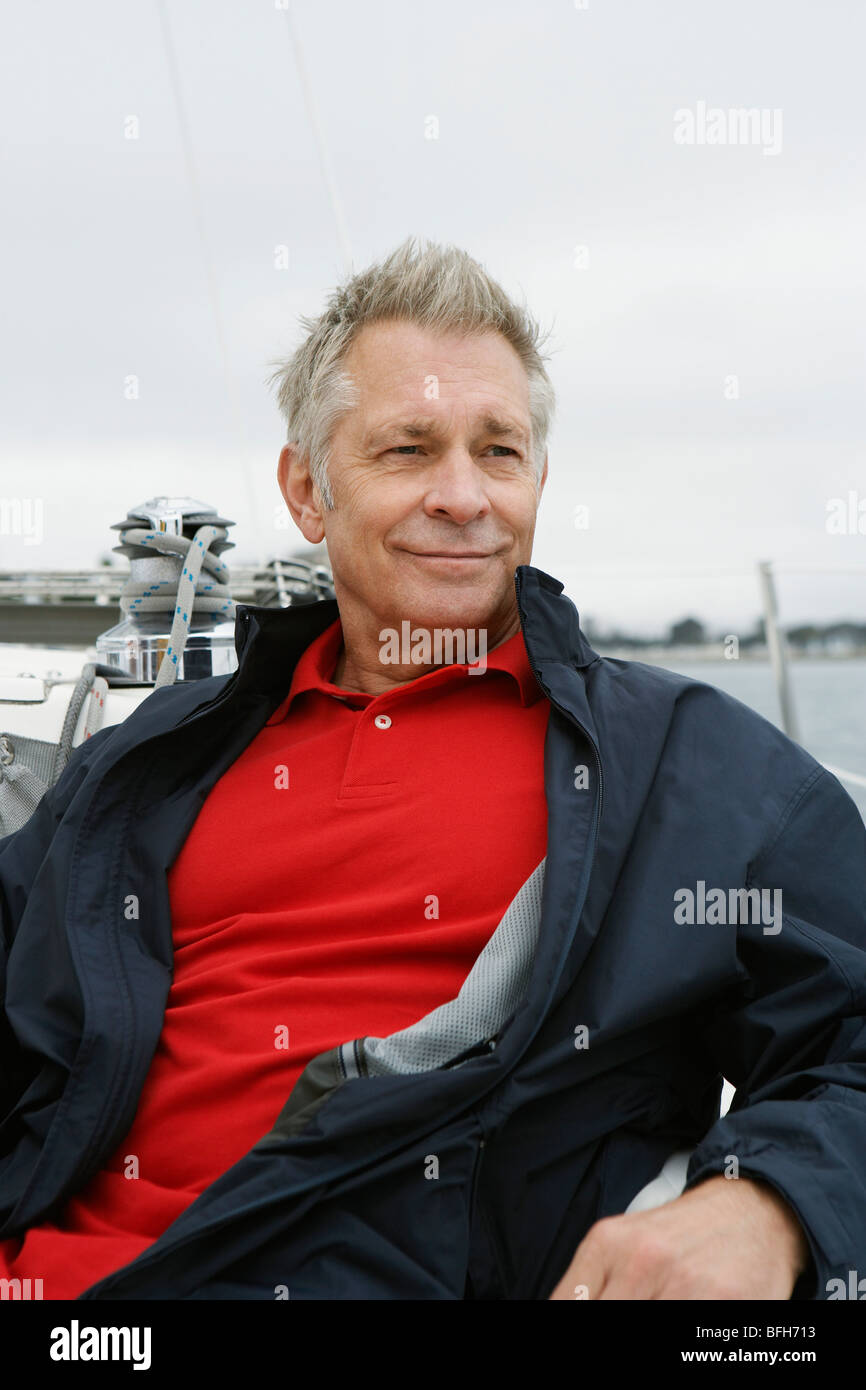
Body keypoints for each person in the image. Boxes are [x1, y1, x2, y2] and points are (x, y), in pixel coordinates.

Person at [1, 238, 864, 1301]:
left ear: (537, 478)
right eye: (408, 449)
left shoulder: (689, 771)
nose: (463, 496)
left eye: (497, 451)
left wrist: (766, 1201)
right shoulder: (152, 758)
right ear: (306, 491)